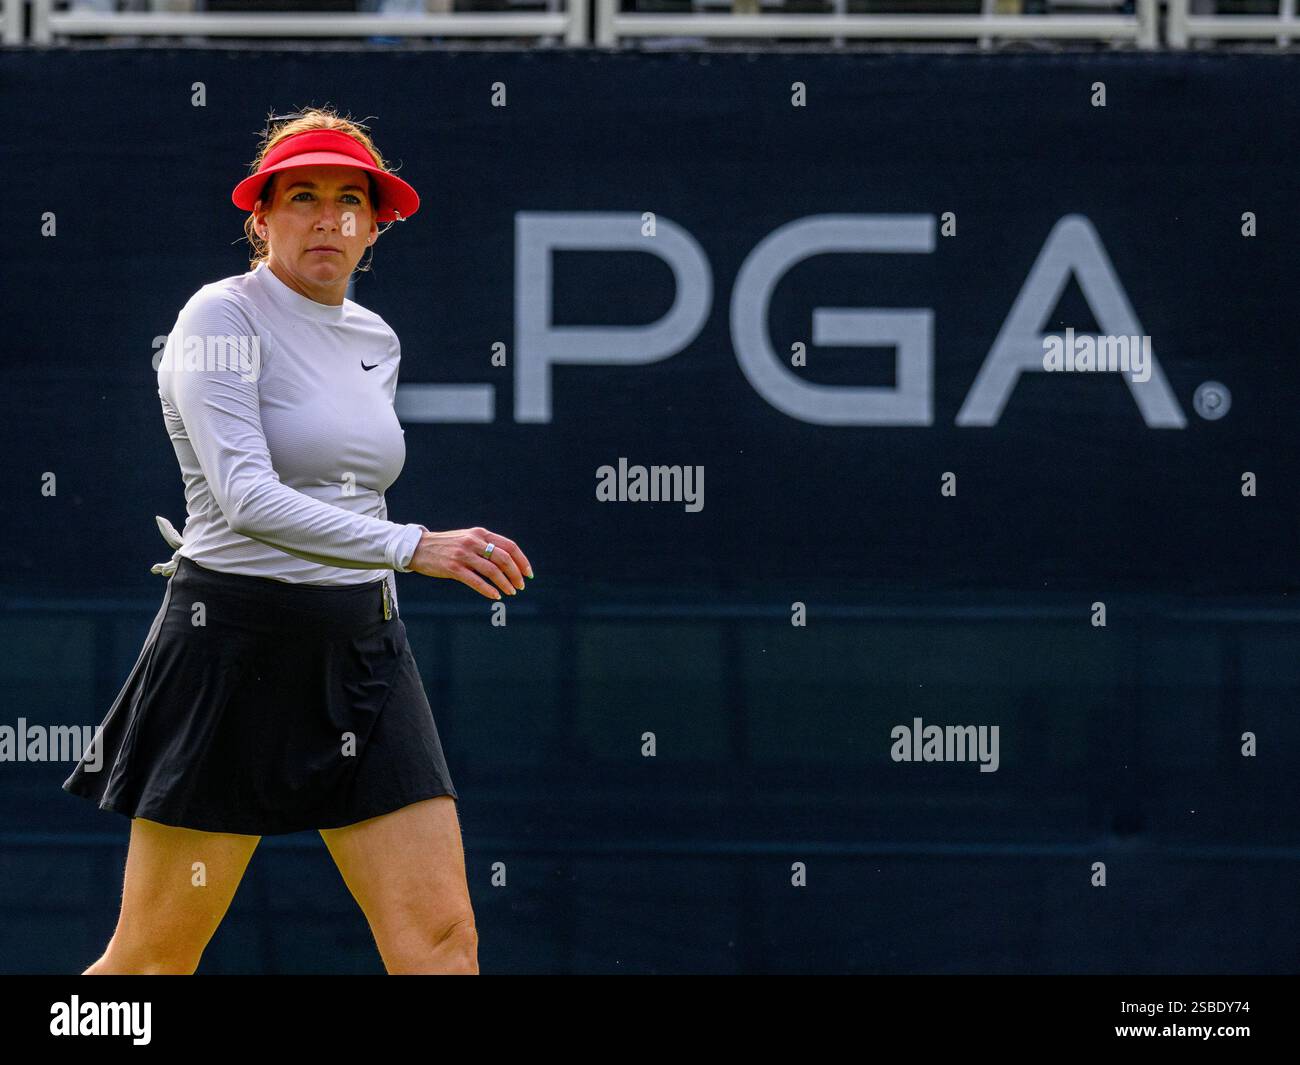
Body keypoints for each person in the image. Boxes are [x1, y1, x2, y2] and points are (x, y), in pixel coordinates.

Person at [62, 107, 532, 975]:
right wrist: (413, 545)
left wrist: (392, 561)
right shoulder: (218, 317)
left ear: (374, 227)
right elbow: (245, 498)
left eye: (351, 200)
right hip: (229, 646)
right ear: (262, 217)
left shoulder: (376, 338)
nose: (329, 218)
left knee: (441, 941)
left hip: (363, 652)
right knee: (152, 961)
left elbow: (347, 489)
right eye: (303, 196)